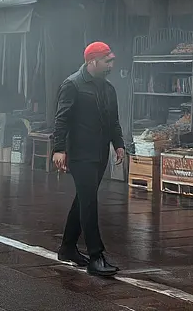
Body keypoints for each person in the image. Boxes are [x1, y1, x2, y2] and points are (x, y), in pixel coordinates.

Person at [50, 41, 127, 278]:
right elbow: (61, 119)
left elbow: (113, 119)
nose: (111, 64)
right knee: (90, 202)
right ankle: (96, 256)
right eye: (107, 61)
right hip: (80, 153)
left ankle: (67, 248)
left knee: (83, 200)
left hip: (100, 152)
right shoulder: (72, 84)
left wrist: (119, 143)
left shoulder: (108, 88)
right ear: (92, 61)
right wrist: (59, 149)